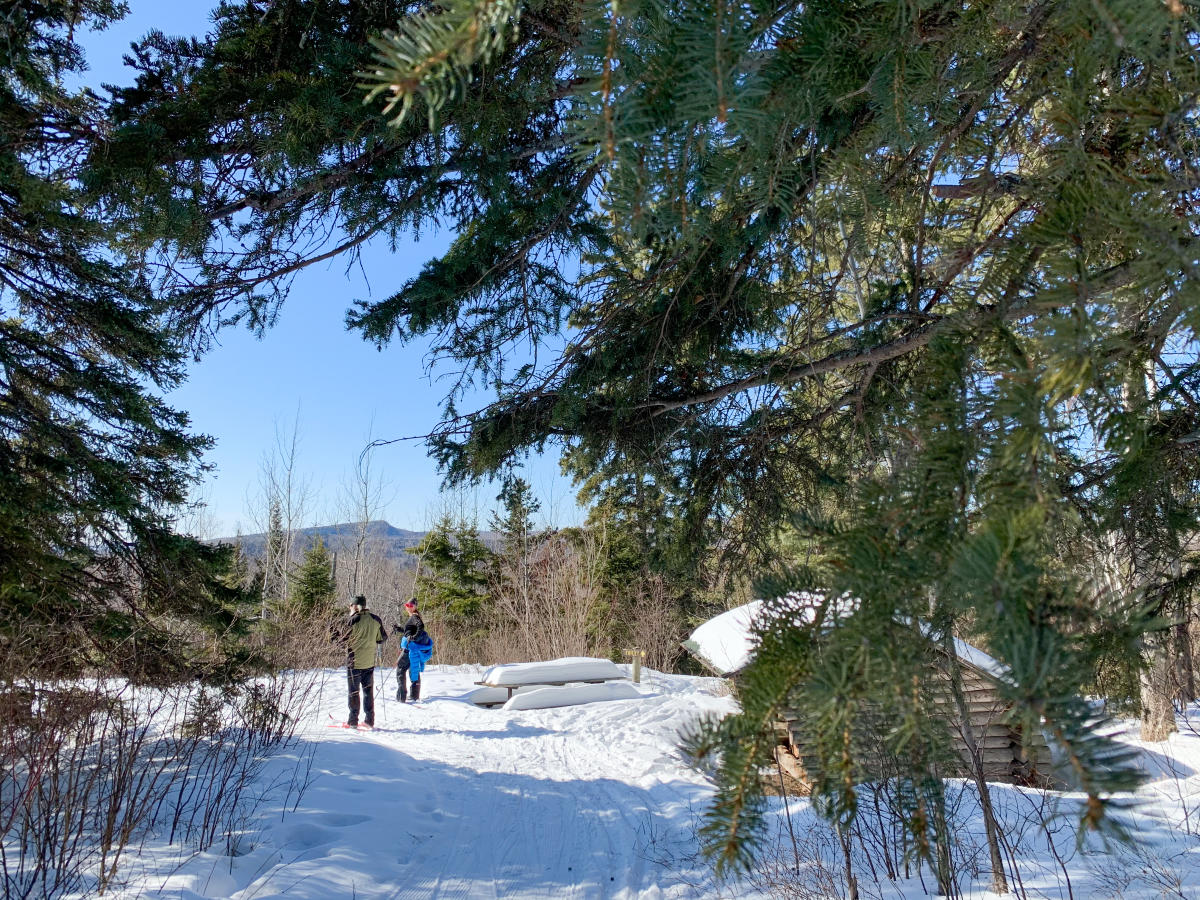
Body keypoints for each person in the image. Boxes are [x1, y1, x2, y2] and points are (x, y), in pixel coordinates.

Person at [335, 595, 387, 728]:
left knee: (353, 692)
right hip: (369, 662)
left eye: (350, 605)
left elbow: (342, 643)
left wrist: (334, 635)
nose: (349, 608)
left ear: (354, 606)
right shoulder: (376, 619)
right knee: (367, 692)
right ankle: (369, 720)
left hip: (354, 662)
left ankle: (353, 721)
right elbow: (382, 638)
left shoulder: (353, 620)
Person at [395, 598, 433, 702]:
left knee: (400, 669)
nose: (408, 607)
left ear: (415, 607)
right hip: (413, 649)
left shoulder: (415, 617)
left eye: (411, 605)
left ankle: (401, 696)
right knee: (413, 670)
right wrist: (401, 630)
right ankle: (414, 695)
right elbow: (410, 631)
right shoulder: (414, 617)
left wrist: (414, 637)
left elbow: (420, 626)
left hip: (409, 648)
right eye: (407, 605)